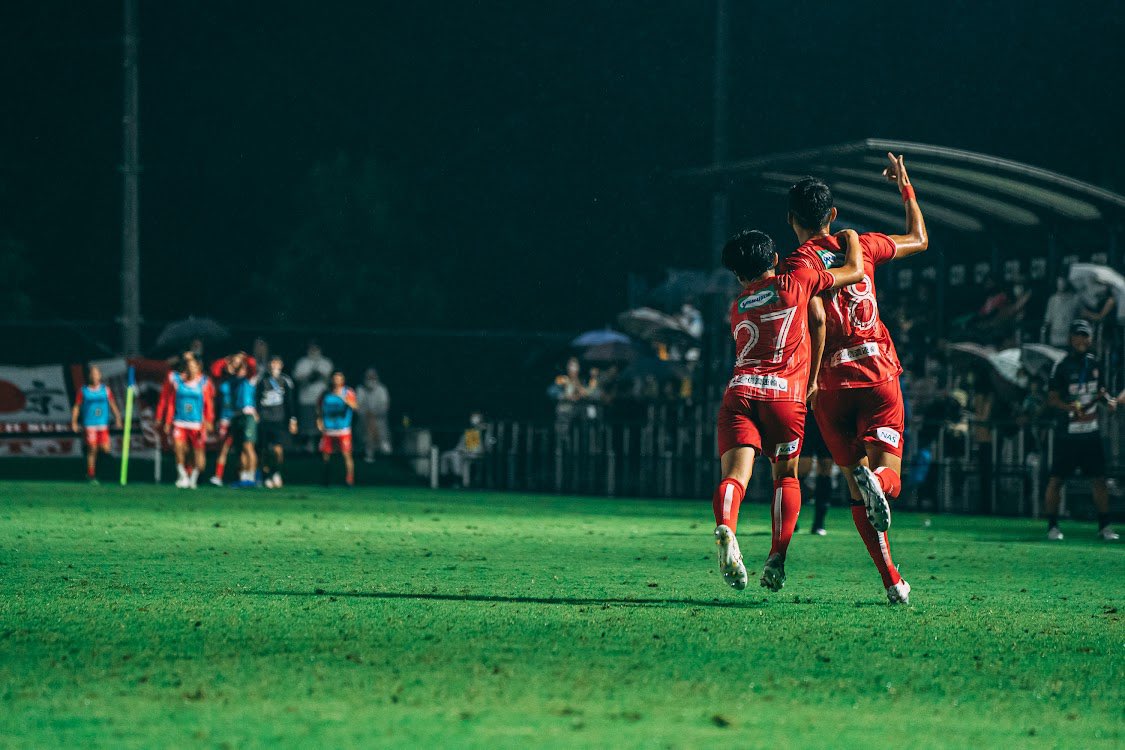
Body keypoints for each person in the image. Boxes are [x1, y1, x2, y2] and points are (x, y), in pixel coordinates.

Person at [781, 153, 928, 604]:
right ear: (833, 215)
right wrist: (905, 187)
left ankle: (892, 580)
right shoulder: (861, 245)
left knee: (853, 485)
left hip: (828, 389)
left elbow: (810, 322)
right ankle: (879, 484)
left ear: (792, 221)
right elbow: (919, 239)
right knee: (890, 478)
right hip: (878, 375)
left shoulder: (795, 267)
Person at [712, 227, 864, 593]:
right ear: (776, 261)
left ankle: (727, 527)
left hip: (739, 392)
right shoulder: (795, 282)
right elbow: (853, 272)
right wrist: (853, 238)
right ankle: (776, 556)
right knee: (786, 477)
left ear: (737, 274)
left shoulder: (737, 306)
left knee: (734, 477)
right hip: (783, 398)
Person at [1043, 320, 1119, 541]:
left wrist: (1108, 401)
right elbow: (1052, 399)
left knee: (1099, 479)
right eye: (1078, 335)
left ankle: (1104, 526)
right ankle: (1052, 526)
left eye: (1086, 336)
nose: (1082, 340)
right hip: (1067, 434)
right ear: (1070, 338)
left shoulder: (1095, 363)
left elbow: (1101, 391)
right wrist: (1069, 408)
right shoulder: (1062, 366)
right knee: (1057, 479)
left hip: (1091, 432)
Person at [156, 357, 214, 489]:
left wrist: (209, 420)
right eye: (189, 366)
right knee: (178, 448)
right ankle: (182, 475)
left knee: (196, 453)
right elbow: (171, 403)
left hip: (196, 423)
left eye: (194, 366)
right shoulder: (178, 382)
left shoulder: (203, 383)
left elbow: (208, 404)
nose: (191, 369)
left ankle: (193, 478)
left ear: (198, 369)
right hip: (180, 421)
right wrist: (167, 421)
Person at [70, 364, 122, 484]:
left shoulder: (105, 390)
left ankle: (102, 470)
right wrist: (74, 422)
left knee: (105, 449)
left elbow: (112, 404)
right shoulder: (84, 391)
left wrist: (118, 418)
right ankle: (91, 474)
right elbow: (77, 407)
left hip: (103, 424)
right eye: (92, 374)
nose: (94, 376)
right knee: (92, 448)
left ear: (100, 376)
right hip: (90, 424)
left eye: (96, 374)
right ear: (89, 376)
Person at [255, 355, 298, 488]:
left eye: (276, 363)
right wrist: (257, 415)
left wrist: (293, 419)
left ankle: (276, 472)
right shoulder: (262, 381)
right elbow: (257, 399)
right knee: (265, 450)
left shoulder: (285, 381)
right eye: (272, 363)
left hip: (280, 420)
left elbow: (290, 401)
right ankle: (266, 475)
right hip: (265, 419)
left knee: (278, 450)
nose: (274, 365)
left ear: (281, 365)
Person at [318, 371, 357, 486]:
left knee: (346, 454)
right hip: (328, 428)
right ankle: (326, 478)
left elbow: (355, 406)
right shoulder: (326, 393)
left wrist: (347, 401)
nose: (336, 381)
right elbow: (319, 407)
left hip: (343, 428)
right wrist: (319, 420)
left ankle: (349, 479)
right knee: (325, 455)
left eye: (339, 378)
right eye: (335, 378)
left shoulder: (347, 392)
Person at [294, 342, 334, 448]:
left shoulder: (326, 362)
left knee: (322, 425)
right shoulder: (302, 362)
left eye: (316, 348)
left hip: (322, 400)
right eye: (311, 348)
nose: (314, 350)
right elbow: (297, 377)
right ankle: (308, 446)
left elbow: (331, 378)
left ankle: (323, 445)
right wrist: (309, 376)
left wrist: (319, 374)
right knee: (308, 426)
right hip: (306, 400)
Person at [229, 359, 259, 487]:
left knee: (248, 446)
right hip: (237, 415)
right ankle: (243, 476)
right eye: (238, 369)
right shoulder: (234, 382)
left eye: (242, 368)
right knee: (240, 448)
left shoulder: (250, 379)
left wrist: (243, 357)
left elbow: (252, 365)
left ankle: (252, 477)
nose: (240, 371)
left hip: (248, 415)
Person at [357, 368, 391, 462]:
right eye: (368, 376)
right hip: (364, 421)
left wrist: (374, 413)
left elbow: (384, 407)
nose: (370, 378)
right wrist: (368, 414)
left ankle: (374, 450)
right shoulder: (360, 389)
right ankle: (378, 446)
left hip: (379, 420)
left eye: (372, 376)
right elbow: (358, 408)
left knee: (375, 423)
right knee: (369, 423)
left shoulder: (382, 389)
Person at [1042, 277, 1079, 348]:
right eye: (1059, 282)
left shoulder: (1075, 299)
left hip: (1068, 337)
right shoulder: (1052, 299)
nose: (1061, 284)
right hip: (1055, 337)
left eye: (1063, 282)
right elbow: (1048, 320)